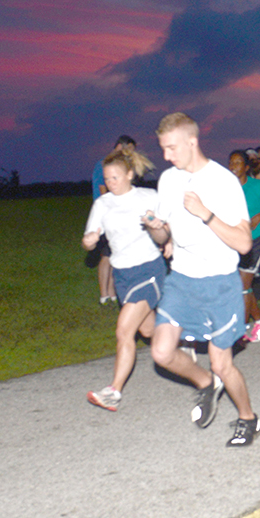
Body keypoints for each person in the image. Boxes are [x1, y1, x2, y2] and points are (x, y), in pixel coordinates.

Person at [141, 113, 260, 447]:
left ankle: (248, 418)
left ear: (192, 142)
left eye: (171, 148)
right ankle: (206, 383)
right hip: (182, 280)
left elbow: (244, 243)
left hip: (220, 283)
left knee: (223, 363)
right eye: (163, 149)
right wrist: (155, 227)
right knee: (161, 351)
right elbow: (164, 234)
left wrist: (205, 213)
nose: (166, 156)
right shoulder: (168, 180)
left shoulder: (223, 182)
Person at [81, 145, 167, 411]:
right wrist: (89, 241)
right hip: (122, 275)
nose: (110, 183)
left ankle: (113, 391)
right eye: (107, 179)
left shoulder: (148, 197)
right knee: (148, 330)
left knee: (124, 331)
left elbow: (166, 230)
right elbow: (88, 238)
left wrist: (164, 236)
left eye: (115, 177)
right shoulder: (102, 203)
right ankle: (182, 336)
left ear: (130, 174)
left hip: (148, 270)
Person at [228, 150, 260, 343]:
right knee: (244, 285)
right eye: (231, 163)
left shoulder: (259, 186)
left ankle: (240, 331)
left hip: (257, 237)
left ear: (246, 166)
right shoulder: (226, 189)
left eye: (238, 162)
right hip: (236, 240)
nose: (233, 166)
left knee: (242, 286)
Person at [90, 134, 137, 304]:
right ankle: (104, 294)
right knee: (106, 256)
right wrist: (111, 212)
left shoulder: (118, 165)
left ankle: (111, 292)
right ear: (120, 147)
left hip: (117, 215)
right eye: (129, 149)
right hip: (105, 216)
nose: (131, 153)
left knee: (114, 253)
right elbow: (104, 190)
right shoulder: (104, 164)